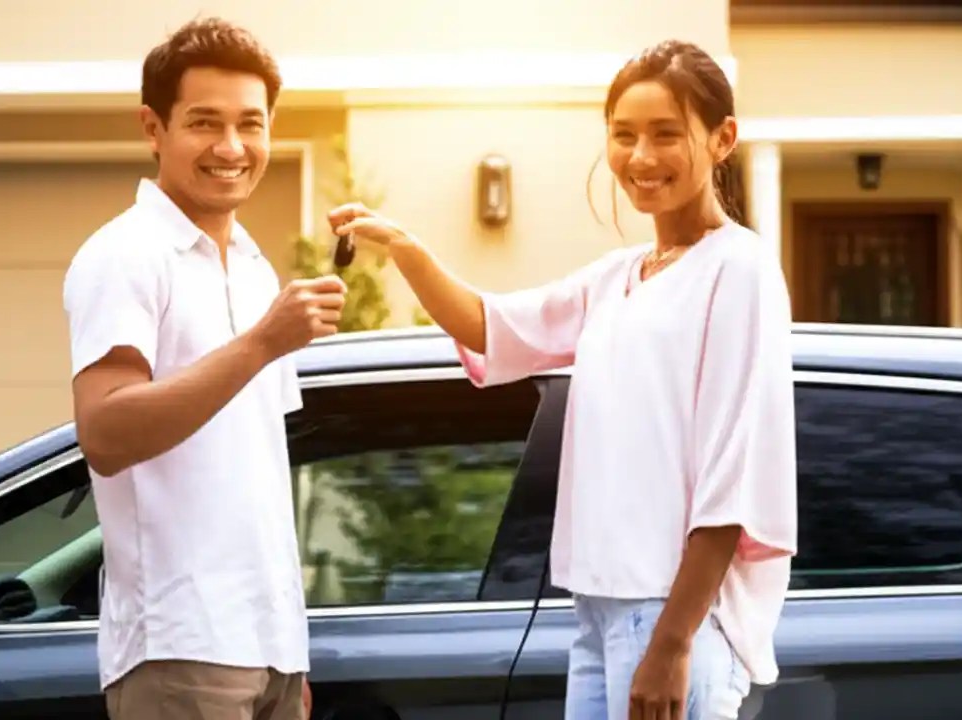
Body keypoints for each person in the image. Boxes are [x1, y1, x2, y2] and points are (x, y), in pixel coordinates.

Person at [327, 40, 797, 720]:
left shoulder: (740, 270)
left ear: (723, 138)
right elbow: (490, 327)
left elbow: (732, 478)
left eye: (666, 134)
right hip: (597, 615)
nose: (640, 158)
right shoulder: (617, 278)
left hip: (672, 620)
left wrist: (671, 643)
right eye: (623, 135)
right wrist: (403, 247)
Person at [63, 16, 342, 720]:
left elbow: (253, 478)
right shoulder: (125, 255)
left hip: (268, 651)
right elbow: (106, 431)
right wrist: (261, 344)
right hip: (180, 651)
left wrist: (287, 650)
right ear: (153, 129)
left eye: (251, 124)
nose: (231, 147)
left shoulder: (251, 265)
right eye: (204, 123)